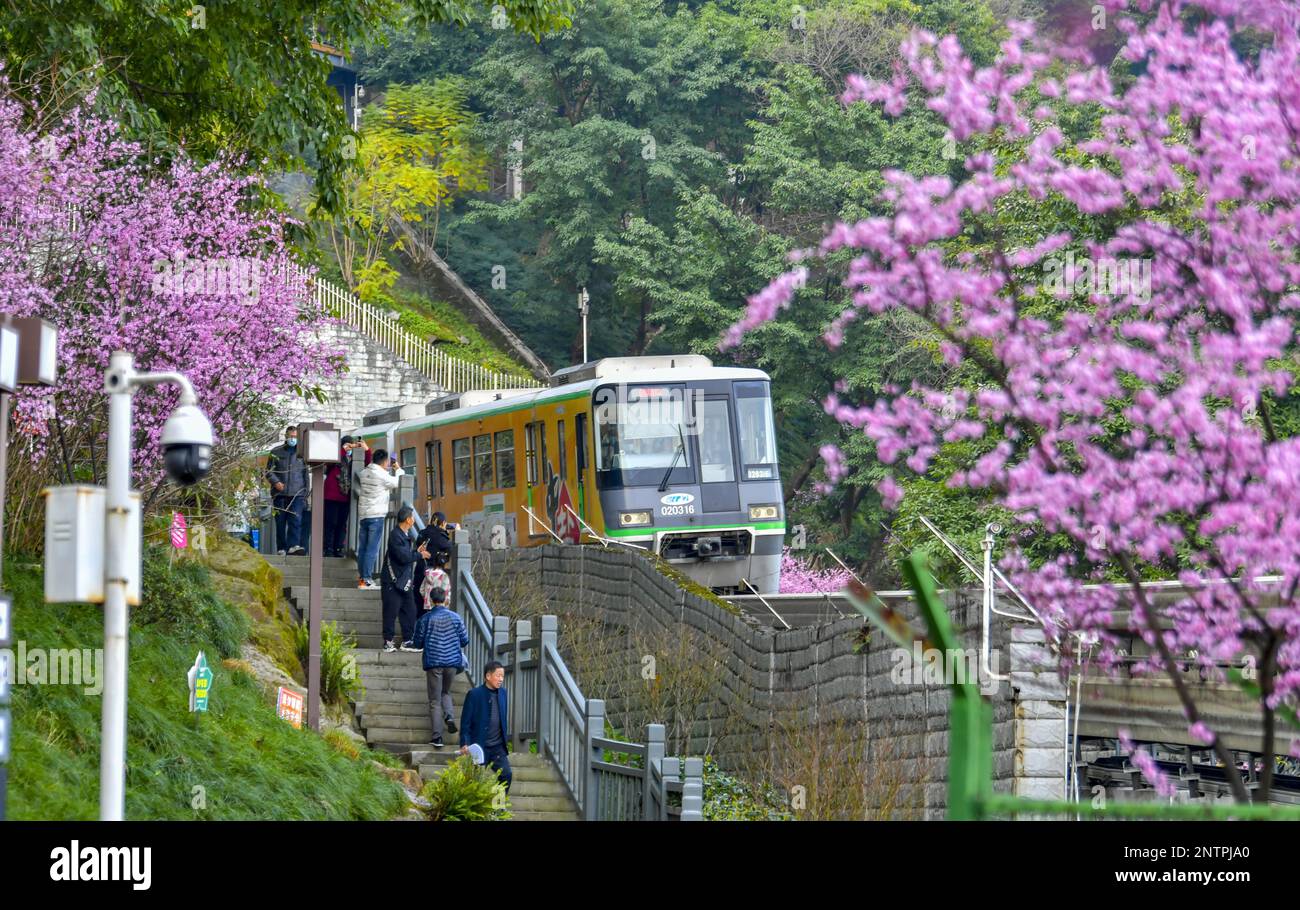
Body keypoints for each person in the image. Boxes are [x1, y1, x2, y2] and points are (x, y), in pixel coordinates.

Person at [410, 584, 467, 749]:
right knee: (446, 692)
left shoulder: (425, 619)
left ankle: (437, 737)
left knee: (435, 700)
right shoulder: (456, 618)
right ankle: (449, 716)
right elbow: (464, 640)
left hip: (434, 663)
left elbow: (417, 642)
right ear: (445, 599)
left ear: (430, 600)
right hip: (452, 663)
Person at [380, 505, 428, 653]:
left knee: (410, 610)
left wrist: (415, 551)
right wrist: (420, 555)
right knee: (391, 611)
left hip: (404, 581)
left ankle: (408, 640)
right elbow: (402, 557)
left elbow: (405, 555)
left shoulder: (404, 535)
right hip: (392, 581)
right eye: (412, 517)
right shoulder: (396, 535)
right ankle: (388, 641)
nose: (414, 519)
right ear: (408, 519)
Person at [460, 661, 511, 791]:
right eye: (498, 675)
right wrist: (465, 743)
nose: (501, 679)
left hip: (497, 746)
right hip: (479, 746)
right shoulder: (474, 695)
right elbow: (465, 723)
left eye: (502, 676)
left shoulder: (503, 694)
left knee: (506, 775)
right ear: (488, 676)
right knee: (474, 782)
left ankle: (498, 808)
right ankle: (474, 809)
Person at [356, 447, 403, 588]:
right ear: (384, 461)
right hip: (376, 516)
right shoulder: (382, 475)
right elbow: (397, 482)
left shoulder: (364, 472)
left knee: (363, 548)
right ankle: (366, 579)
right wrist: (398, 470)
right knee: (372, 549)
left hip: (364, 515)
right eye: (388, 461)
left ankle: (362, 579)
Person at [266, 426, 310, 555]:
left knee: (295, 521)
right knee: (280, 522)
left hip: (297, 493)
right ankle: (281, 548)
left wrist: (305, 492)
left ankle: (293, 545)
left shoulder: (302, 453)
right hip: (280, 494)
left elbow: (305, 474)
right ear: (286, 436)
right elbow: (268, 471)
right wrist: (276, 482)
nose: (293, 439)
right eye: (291, 436)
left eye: (295, 437)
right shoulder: (276, 451)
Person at [324, 436, 369, 558]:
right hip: (331, 496)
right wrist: (343, 448)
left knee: (342, 524)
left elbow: (367, 464)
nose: (350, 448)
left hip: (346, 496)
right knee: (330, 523)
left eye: (352, 446)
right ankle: (328, 548)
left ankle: (338, 548)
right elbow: (330, 460)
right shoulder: (337, 456)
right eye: (348, 445)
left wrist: (366, 450)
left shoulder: (354, 459)